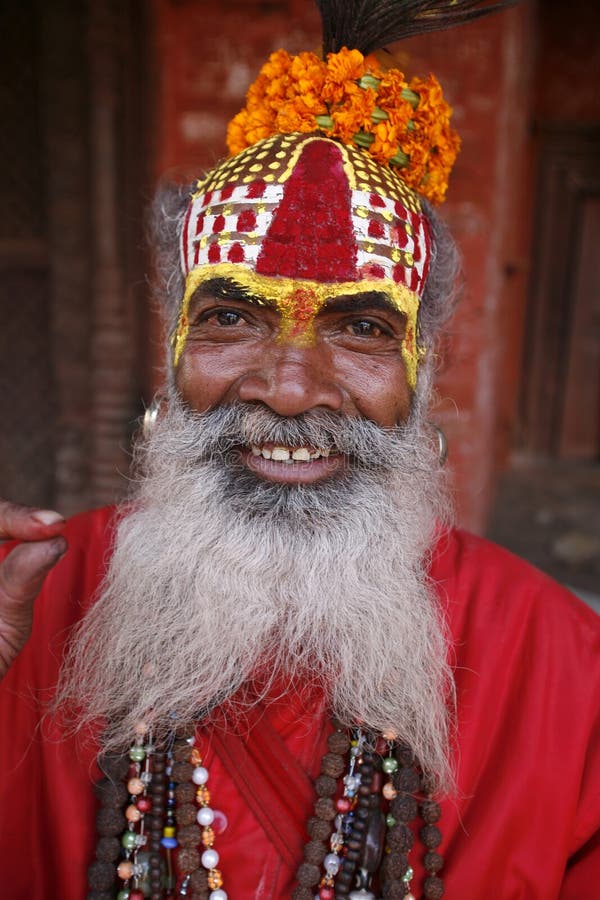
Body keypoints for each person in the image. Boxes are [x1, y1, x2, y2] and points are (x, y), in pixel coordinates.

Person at [0, 2, 598, 899]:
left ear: (421, 369)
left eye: (360, 328)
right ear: (170, 349)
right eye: (231, 318)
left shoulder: (564, 665)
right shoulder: (34, 604)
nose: (287, 389)